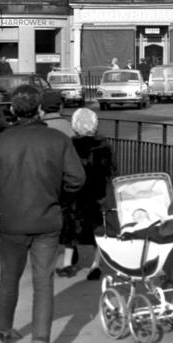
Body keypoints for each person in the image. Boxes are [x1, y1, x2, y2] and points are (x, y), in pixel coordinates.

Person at [0, 85, 86, 343]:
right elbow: (77, 179)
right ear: (39, 110)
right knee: (43, 282)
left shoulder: (1, 142)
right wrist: (59, 197)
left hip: (12, 221)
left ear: (13, 110)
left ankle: (2, 326)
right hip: (47, 219)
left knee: (9, 277)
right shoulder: (57, 140)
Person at [57, 107, 115, 281]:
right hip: (98, 192)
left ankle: (67, 263)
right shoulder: (104, 145)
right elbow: (111, 170)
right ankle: (95, 265)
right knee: (98, 228)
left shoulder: (70, 145)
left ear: (75, 125)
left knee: (71, 226)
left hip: (76, 192)